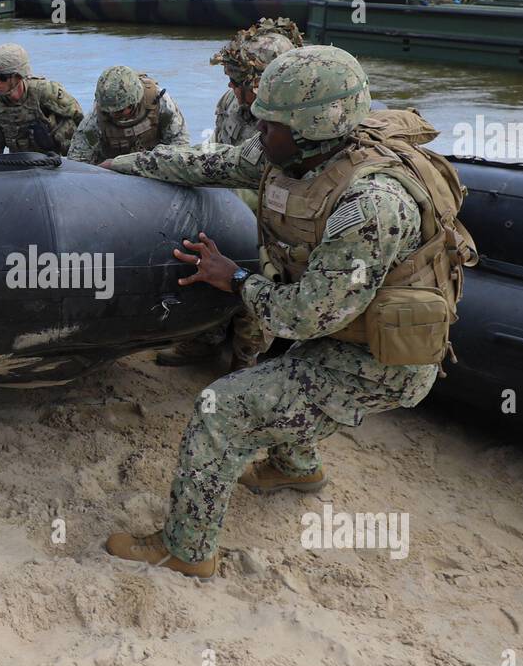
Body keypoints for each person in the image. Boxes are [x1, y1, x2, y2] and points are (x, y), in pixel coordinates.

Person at [100, 46, 476, 577]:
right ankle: (295, 466)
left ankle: (186, 551)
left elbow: (299, 319)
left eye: (268, 122)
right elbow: (211, 163)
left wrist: (231, 277)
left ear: (307, 130)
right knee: (294, 376)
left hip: (384, 360)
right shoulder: (296, 151)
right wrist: (121, 165)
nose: (257, 129)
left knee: (220, 410)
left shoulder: (370, 206)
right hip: (345, 324)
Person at [155, 18, 301, 370]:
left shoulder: (298, 123)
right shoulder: (229, 104)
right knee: (202, 264)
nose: (234, 90)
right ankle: (201, 341)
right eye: (231, 82)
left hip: (273, 222)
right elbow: (220, 158)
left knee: (259, 288)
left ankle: (244, 358)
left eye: (240, 83)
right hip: (231, 207)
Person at [67, 66, 188, 165]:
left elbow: (180, 142)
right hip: (113, 175)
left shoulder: (159, 102)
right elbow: (77, 160)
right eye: (108, 111)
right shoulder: (95, 120)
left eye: (119, 111)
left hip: (154, 167)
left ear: (133, 102)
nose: (113, 114)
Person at [0, 43, 83, 155]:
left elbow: (80, 120)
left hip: (60, 160)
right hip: (24, 164)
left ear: (18, 76)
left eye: (3, 77)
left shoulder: (46, 92)